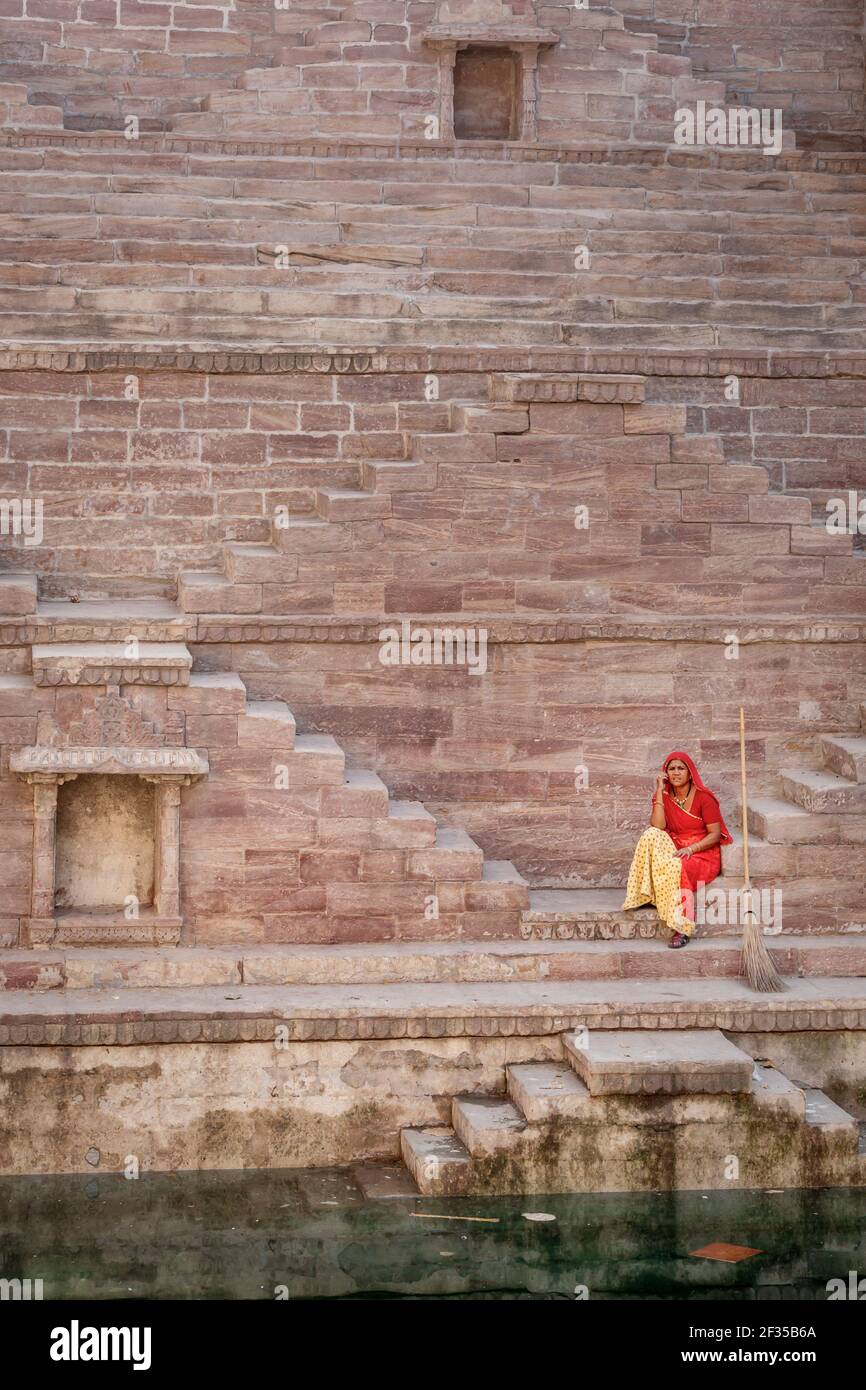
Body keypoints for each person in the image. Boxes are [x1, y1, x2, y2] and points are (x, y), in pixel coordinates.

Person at [622, 750, 732, 949]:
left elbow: (715, 834)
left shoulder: (704, 798)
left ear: (690, 773)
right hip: (676, 845)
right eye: (671, 769)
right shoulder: (664, 794)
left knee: (675, 866)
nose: (676, 772)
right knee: (650, 834)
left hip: (701, 852)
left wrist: (692, 849)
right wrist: (659, 792)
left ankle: (682, 926)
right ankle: (644, 895)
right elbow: (658, 825)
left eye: (681, 768)